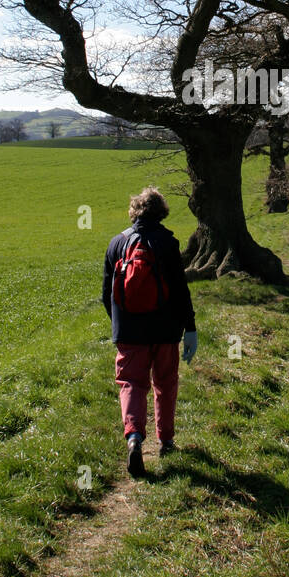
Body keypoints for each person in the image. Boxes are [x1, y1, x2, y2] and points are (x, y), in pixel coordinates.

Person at [101, 186, 198, 478]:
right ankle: (166, 440)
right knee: (165, 382)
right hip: (166, 329)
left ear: (134, 212)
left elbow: (107, 295)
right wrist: (189, 327)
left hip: (129, 332)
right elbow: (181, 291)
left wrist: (119, 323)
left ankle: (134, 437)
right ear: (162, 213)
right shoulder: (168, 244)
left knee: (131, 383)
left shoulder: (116, 244)